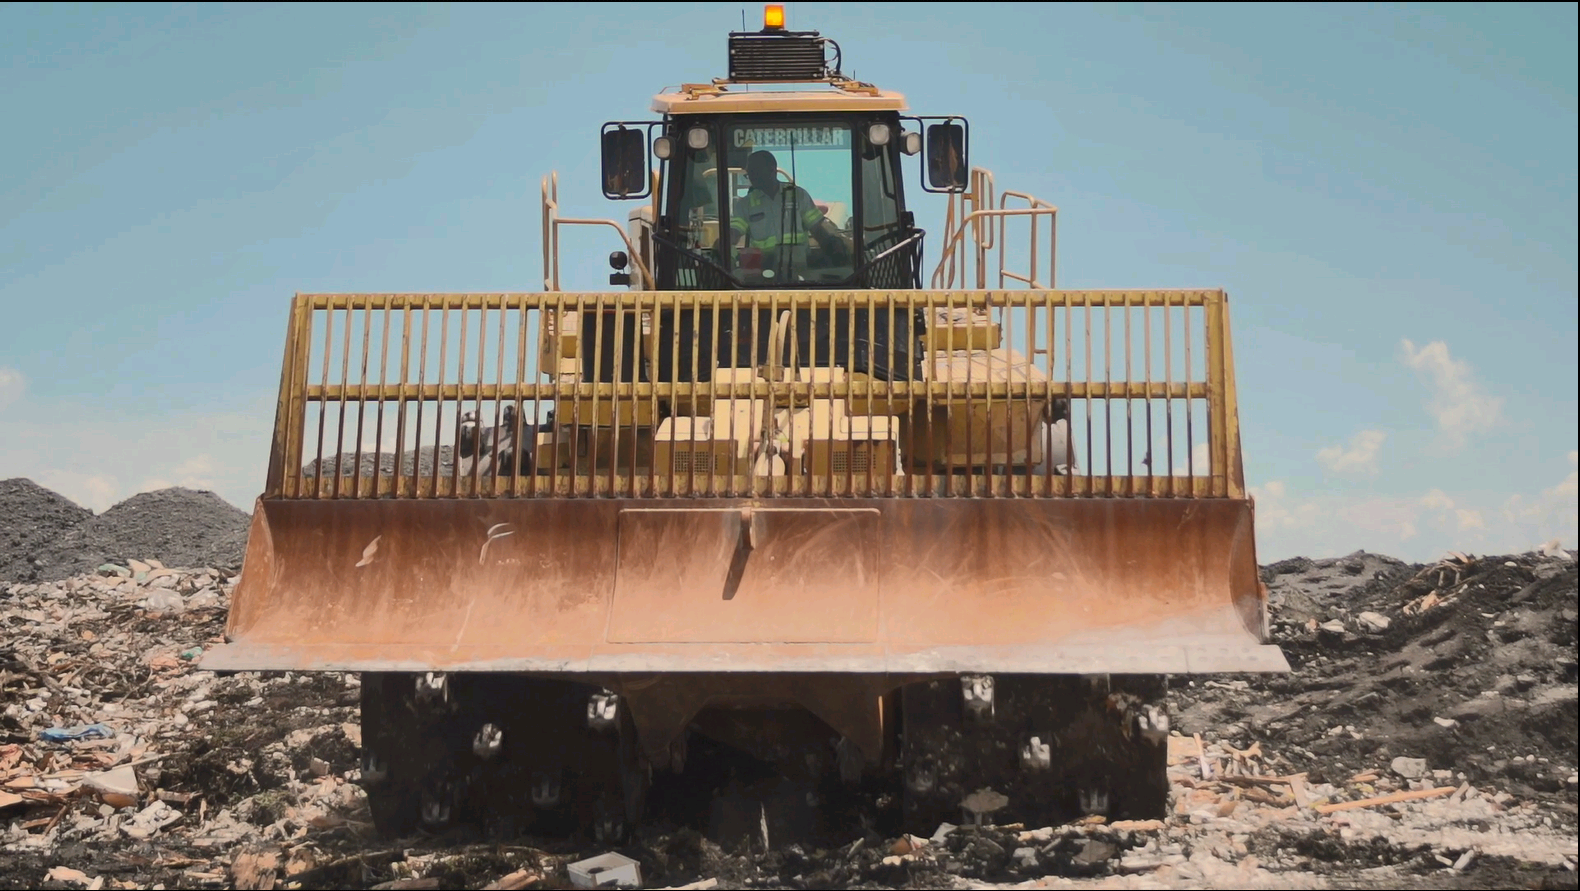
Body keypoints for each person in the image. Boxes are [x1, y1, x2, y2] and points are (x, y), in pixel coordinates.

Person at [730, 150, 850, 273]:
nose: (751, 178)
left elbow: (818, 230)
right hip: (763, 273)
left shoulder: (798, 196)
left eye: (754, 173)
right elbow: (733, 234)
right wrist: (722, 245)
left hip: (800, 269)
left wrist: (833, 248)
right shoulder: (745, 205)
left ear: (772, 170)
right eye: (749, 174)